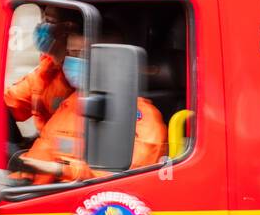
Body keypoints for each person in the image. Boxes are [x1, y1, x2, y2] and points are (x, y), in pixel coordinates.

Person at [16, 32, 166, 184]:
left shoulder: (142, 116)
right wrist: (20, 179)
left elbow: (129, 175)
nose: (71, 60)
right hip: (55, 196)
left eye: (80, 54)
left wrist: (61, 170)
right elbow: (42, 155)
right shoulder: (73, 103)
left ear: (110, 60)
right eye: (69, 53)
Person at [4, 5, 79, 129]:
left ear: (67, 29)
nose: (40, 26)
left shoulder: (78, 74)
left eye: (49, 21)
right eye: (43, 18)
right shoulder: (47, 69)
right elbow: (12, 102)